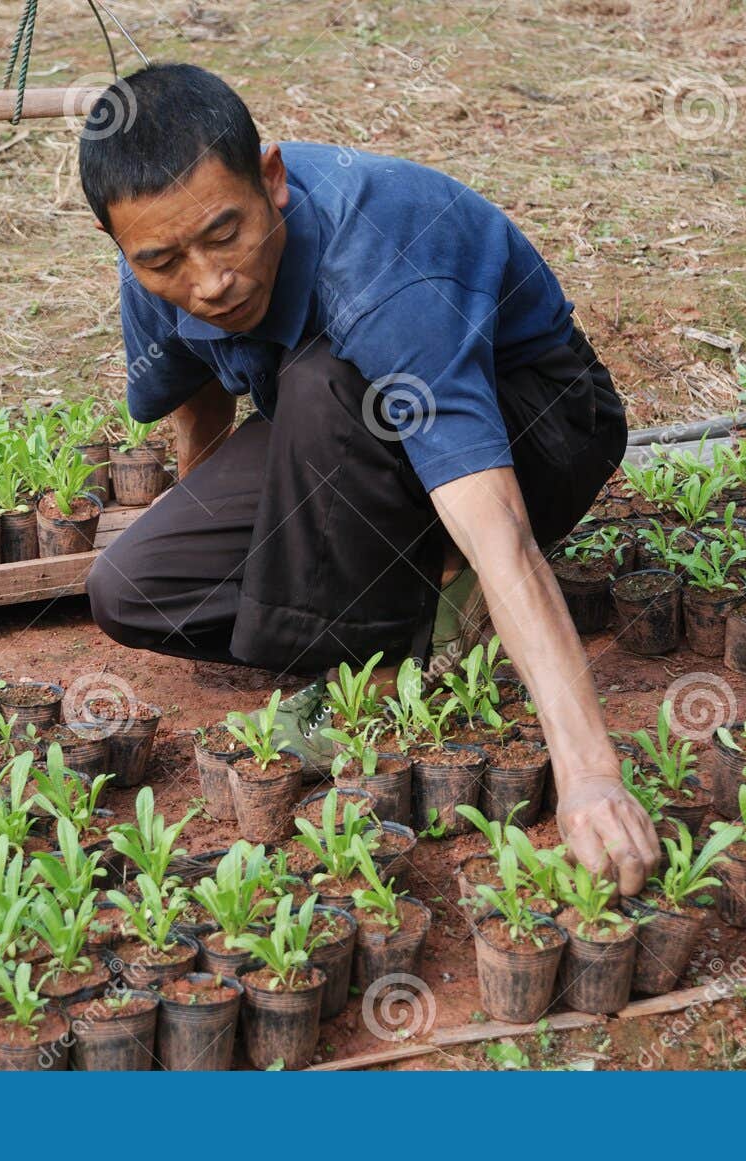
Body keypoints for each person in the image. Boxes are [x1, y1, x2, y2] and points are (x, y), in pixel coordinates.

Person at [78, 64, 658, 894]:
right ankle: (420, 611)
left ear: (271, 179)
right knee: (131, 587)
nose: (207, 282)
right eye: (164, 259)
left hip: (538, 419)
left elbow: (501, 531)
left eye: (225, 235)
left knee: (322, 388)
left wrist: (591, 772)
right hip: (340, 432)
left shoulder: (385, 262)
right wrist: (212, 529)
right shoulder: (161, 260)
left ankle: (378, 668)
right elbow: (197, 395)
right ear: (125, 246)